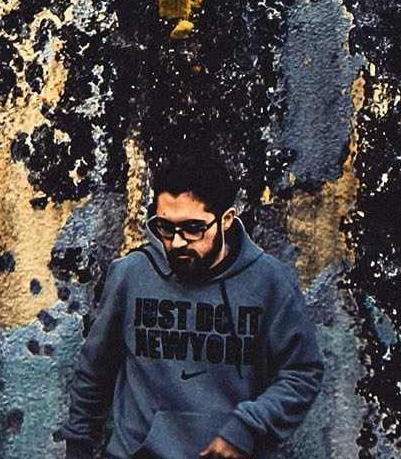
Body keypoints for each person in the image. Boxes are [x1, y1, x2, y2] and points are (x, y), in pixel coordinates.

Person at [56, 145, 326, 459]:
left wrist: (247, 429)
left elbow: (302, 372)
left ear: (226, 220)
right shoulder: (131, 275)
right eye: (166, 227)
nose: (177, 242)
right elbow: (95, 371)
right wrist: (78, 447)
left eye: (193, 228)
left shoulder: (269, 283)